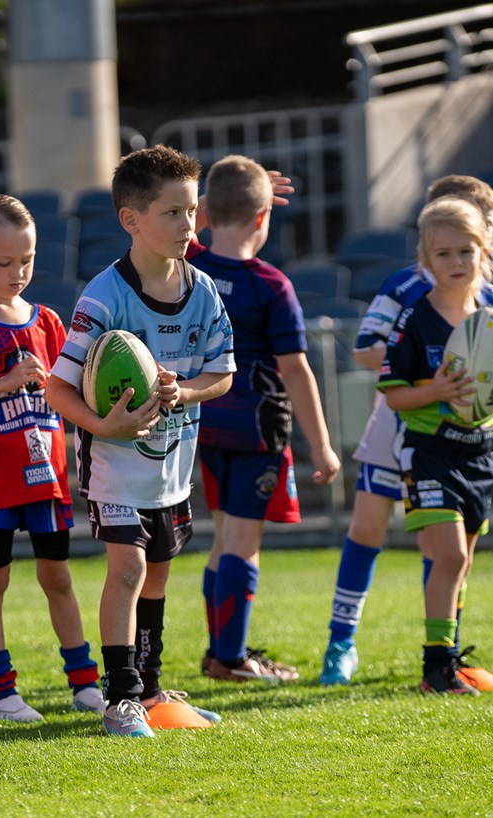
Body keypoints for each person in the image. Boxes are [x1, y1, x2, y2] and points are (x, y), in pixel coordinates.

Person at [45, 145, 236, 737]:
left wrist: (187, 394)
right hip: (115, 467)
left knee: (156, 571)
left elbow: (222, 373)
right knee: (125, 568)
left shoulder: (204, 290)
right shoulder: (105, 296)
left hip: (172, 467)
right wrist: (104, 427)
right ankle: (120, 697)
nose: (188, 224)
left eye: (192, 210)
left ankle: (151, 689)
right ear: (132, 220)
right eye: (173, 212)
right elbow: (58, 389)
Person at [317, 175, 493, 692]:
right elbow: (365, 351)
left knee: (450, 554)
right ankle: (342, 644)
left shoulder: (486, 297)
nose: (468, 252)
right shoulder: (406, 291)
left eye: (483, 234)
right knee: (367, 532)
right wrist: (440, 377)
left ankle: (446, 654)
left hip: (464, 435)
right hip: (403, 430)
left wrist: (482, 387)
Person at [0, 194, 105, 723]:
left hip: (49, 478)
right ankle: (1, 692)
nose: (18, 273)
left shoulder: (50, 321)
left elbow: (69, 388)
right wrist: (6, 382)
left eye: (26, 261)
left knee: (59, 579)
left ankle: (84, 683)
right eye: (4, 263)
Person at [187, 155, 341, 683]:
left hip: (202, 422)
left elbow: (191, 221)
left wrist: (223, 196)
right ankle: (231, 659)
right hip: (256, 430)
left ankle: (218, 652)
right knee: (243, 543)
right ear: (262, 218)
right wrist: (322, 445)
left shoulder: (190, 265)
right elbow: (296, 371)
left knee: (223, 537)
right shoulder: (271, 285)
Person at [378, 196, 493, 694]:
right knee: (451, 557)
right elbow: (394, 397)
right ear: (425, 259)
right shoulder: (415, 320)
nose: (456, 263)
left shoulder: (491, 319)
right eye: (443, 254)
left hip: (478, 454)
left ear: (485, 252)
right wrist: (436, 390)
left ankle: (450, 657)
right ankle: (436, 668)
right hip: (429, 452)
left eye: (466, 251)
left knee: (465, 561)